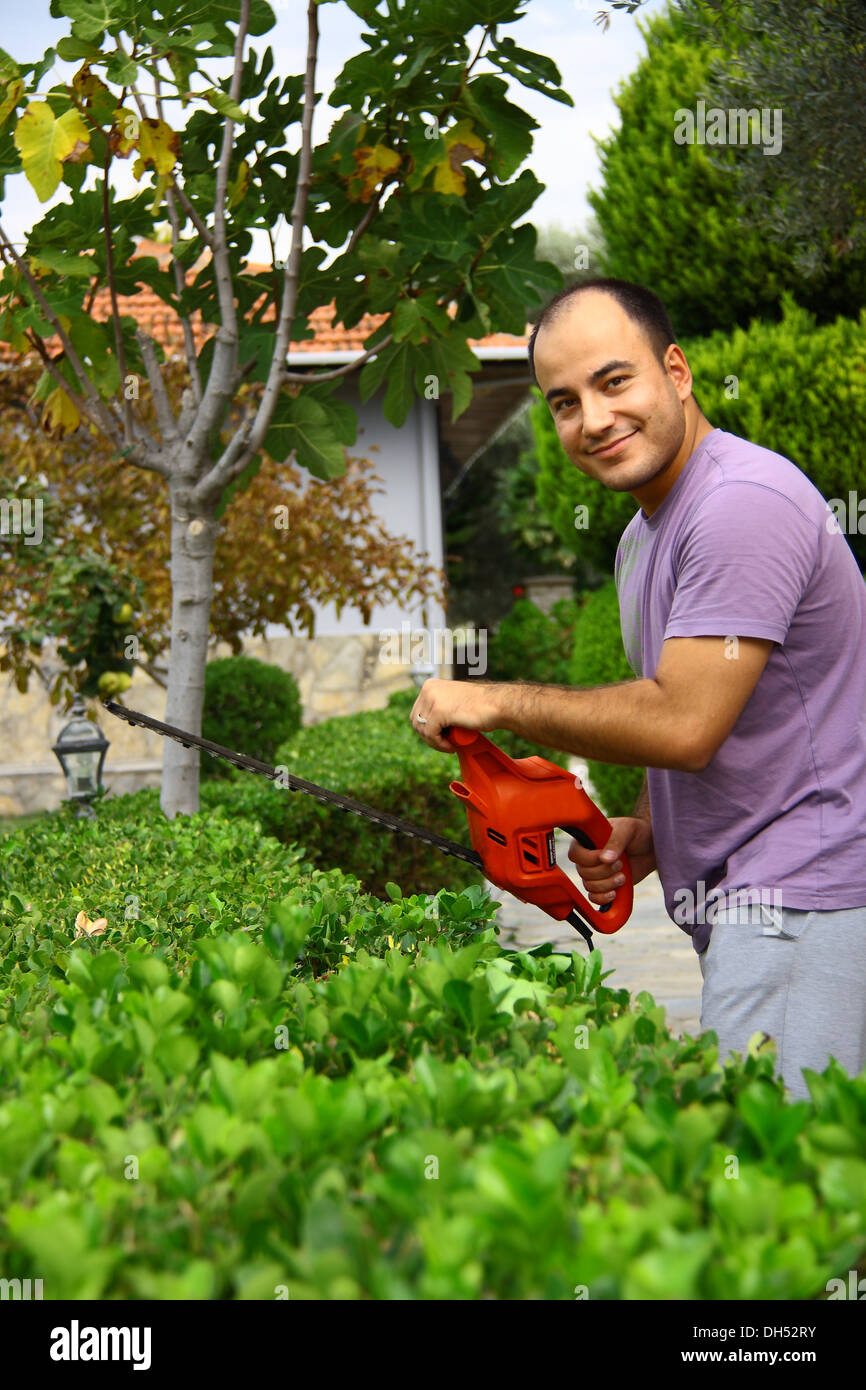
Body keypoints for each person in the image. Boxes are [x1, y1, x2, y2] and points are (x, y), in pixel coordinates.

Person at [410, 276, 866, 1102]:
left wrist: (495, 700)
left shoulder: (739, 506)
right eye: (564, 401)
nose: (593, 419)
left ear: (678, 374)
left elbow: (684, 722)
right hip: (756, 901)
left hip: (804, 897)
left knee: (771, 1190)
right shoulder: (641, 538)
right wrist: (653, 831)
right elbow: (722, 715)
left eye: (614, 381)